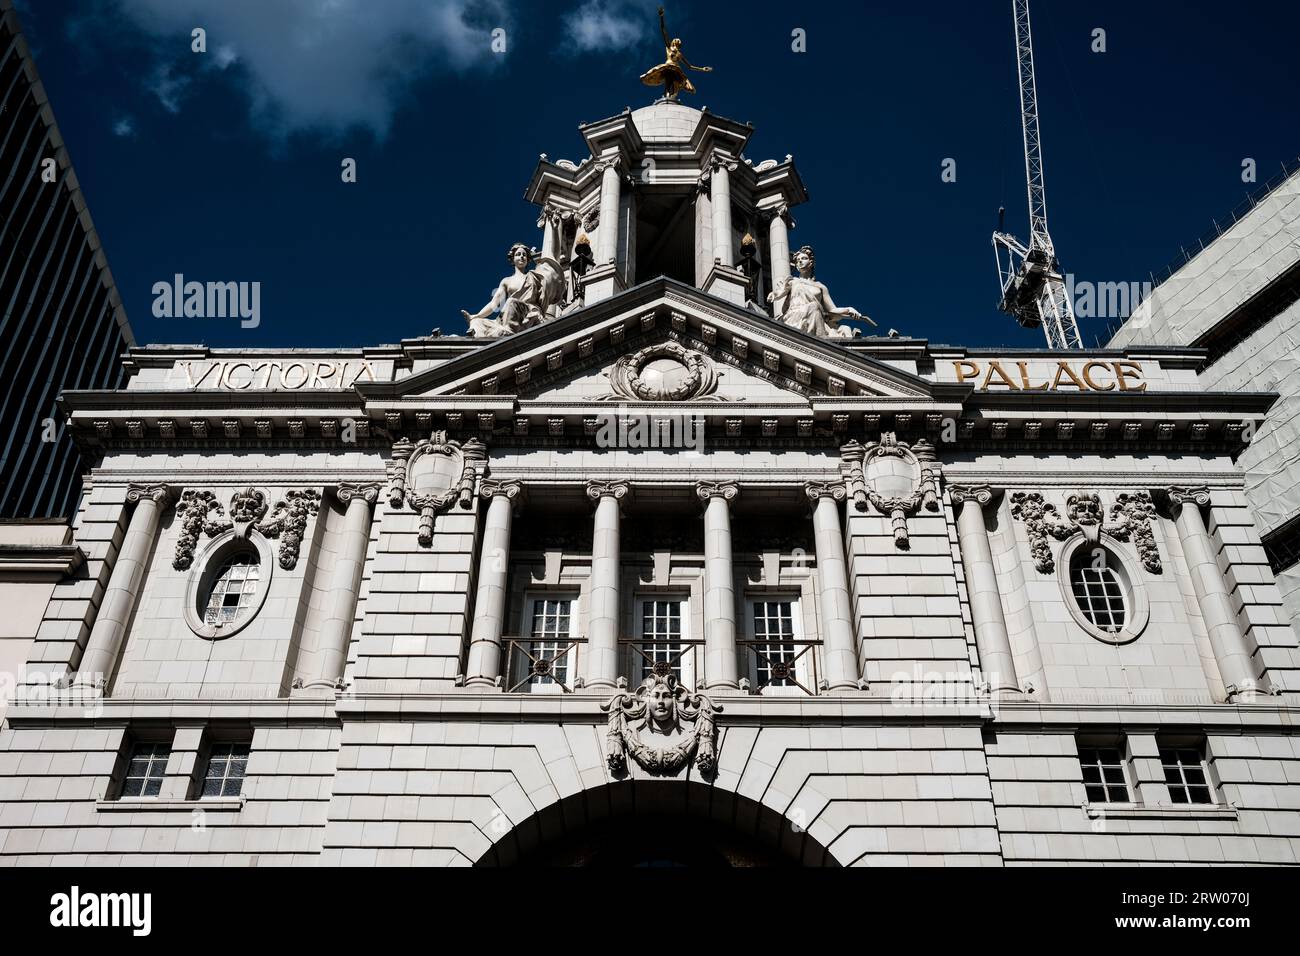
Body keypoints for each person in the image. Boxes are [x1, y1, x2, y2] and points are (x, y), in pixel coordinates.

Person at [767, 245, 875, 339]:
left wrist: (849, 309)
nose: (800, 261)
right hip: (794, 317)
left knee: (815, 308)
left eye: (803, 258)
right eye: (798, 260)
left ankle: (820, 344)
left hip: (814, 317)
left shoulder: (820, 287)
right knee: (814, 306)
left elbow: (832, 310)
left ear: (811, 262)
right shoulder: (793, 281)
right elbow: (780, 292)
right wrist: (774, 295)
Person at [461, 243, 564, 338]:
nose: (521, 257)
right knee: (477, 322)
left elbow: (552, 258)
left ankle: (507, 331)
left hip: (527, 312)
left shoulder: (533, 276)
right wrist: (476, 316)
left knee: (511, 302)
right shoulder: (507, 281)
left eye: (524, 255)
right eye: (518, 254)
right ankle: (498, 331)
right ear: (513, 259)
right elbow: (494, 304)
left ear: (528, 260)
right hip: (508, 316)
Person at [639, 6, 712, 100]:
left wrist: (702, 69)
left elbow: (690, 67)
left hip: (676, 69)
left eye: (679, 41)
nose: (678, 41)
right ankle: (667, 96)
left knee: (675, 84)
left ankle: (670, 96)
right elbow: (664, 31)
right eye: (676, 40)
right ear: (673, 41)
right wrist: (661, 17)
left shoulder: (680, 54)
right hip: (668, 66)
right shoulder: (669, 47)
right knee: (668, 81)